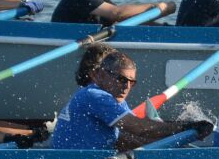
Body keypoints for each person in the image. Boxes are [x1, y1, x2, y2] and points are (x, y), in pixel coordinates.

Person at [50, 50, 210, 150]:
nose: (126, 86)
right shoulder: (95, 95)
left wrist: (176, 142)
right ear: (101, 75)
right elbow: (139, 128)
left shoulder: (115, 100)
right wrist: (184, 127)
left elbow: (124, 140)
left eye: (131, 82)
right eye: (121, 79)